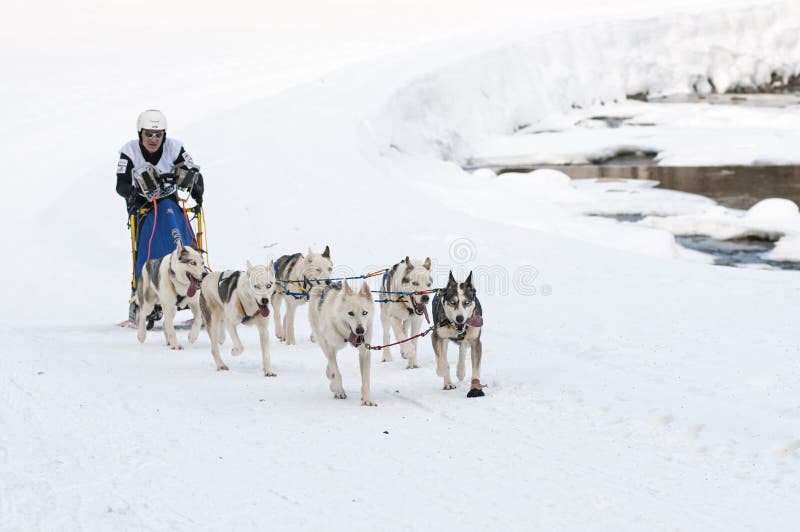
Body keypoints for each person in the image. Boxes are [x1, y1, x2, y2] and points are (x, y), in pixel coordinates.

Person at [116, 109, 205, 322]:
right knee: (150, 247)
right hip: (144, 210)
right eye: (148, 134)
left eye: (158, 134)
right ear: (140, 133)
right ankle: (145, 296)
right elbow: (121, 184)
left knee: (183, 240)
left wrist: (197, 190)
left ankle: (198, 294)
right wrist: (133, 195)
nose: (153, 139)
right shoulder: (129, 151)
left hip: (171, 206)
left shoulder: (174, 147)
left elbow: (194, 173)